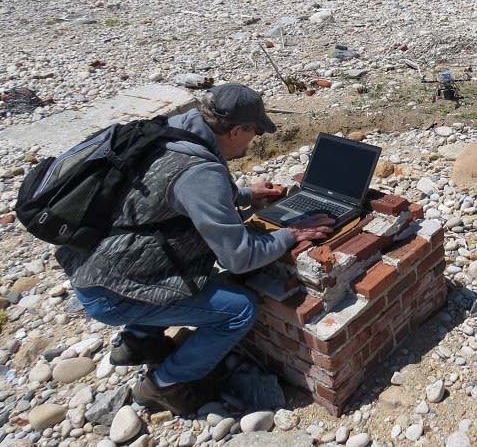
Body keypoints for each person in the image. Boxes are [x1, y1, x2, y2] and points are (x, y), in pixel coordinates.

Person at [55, 83, 334, 414]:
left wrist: (245, 195)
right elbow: (239, 258)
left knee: (196, 270)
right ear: (237, 129)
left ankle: (138, 343)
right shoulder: (202, 171)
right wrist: (291, 234)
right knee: (239, 309)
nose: (255, 139)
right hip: (110, 293)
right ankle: (165, 384)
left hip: (98, 263)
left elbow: (175, 196)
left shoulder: (174, 130)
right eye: (255, 131)